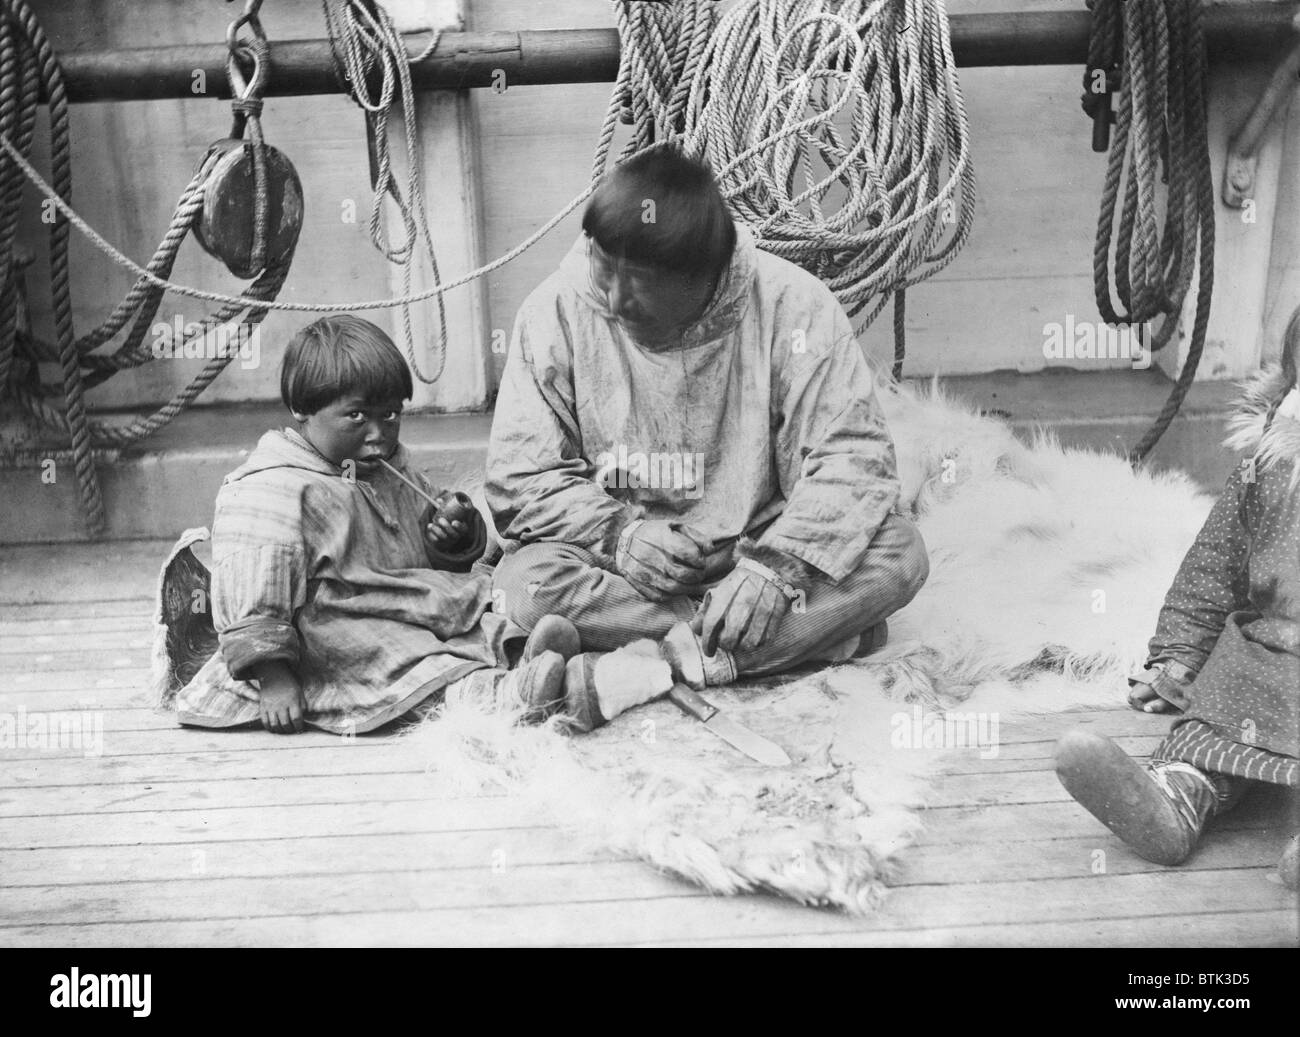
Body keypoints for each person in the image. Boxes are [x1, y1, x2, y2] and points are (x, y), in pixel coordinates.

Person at [485, 147, 929, 731]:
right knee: (528, 585)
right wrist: (620, 534)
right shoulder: (554, 310)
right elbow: (521, 478)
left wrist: (777, 567)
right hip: (619, 568)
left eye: (640, 283)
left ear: (706, 277)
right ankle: (803, 638)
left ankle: (632, 658)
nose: (616, 302)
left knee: (899, 554)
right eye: (604, 268)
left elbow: (853, 458)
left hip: (763, 554)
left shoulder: (794, 305)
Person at [161, 315, 580, 735]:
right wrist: (274, 678)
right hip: (332, 628)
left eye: (392, 414)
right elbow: (252, 593)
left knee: (479, 611)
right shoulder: (272, 490)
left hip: (404, 599)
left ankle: (523, 652)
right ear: (302, 409)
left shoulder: (385, 466)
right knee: (402, 661)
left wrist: (448, 539)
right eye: (357, 416)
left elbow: (423, 539)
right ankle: (499, 695)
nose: (379, 434)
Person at [1055, 308, 1300, 890]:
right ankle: (1173, 803)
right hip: (1267, 656)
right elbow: (1214, 568)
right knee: (1204, 737)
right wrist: (1179, 657)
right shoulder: (1268, 469)